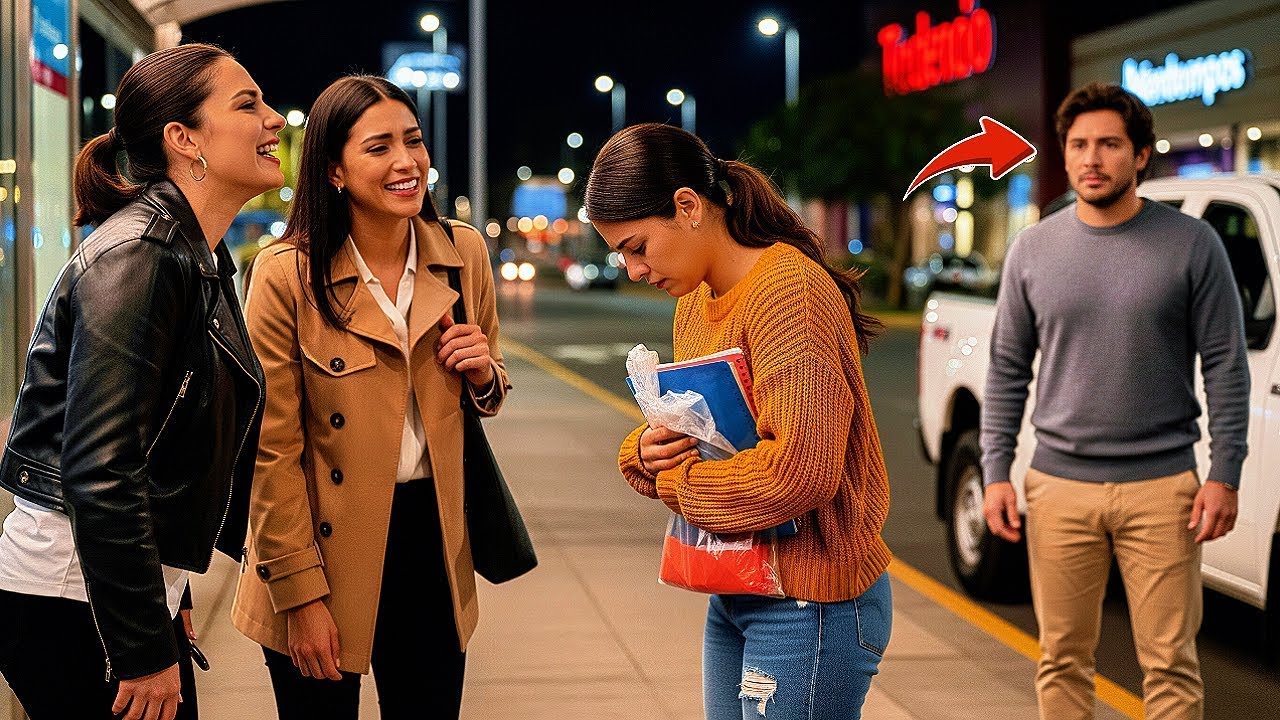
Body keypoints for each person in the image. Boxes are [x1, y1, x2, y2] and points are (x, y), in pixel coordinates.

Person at [0, 43, 280, 720]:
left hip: (115, 591)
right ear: (184, 139)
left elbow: (156, 446)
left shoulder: (193, 250)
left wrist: (171, 595)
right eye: (247, 104)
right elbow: (99, 466)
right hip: (74, 598)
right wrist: (139, 647)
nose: (272, 120)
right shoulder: (143, 256)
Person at [587, 123, 893, 720]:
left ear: (687, 206)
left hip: (811, 600)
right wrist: (645, 451)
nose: (632, 269)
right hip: (737, 583)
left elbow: (798, 474)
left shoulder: (789, 293)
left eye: (637, 246)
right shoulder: (695, 303)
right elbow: (703, 432)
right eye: (620, 253)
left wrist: (673, 483)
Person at [230, 75, 508, 720]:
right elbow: (271, 452)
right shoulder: (284, 276)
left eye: (413, 141)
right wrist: (299, 597)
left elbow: (491, 377)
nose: (407, 162)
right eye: (379, 147)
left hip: (432, 544)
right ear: (333, 170)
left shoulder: (462, 254)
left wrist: (483, 374)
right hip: (321, 545)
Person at [981, 83, 1249, 720]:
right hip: (1058, 487)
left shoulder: (1191, 245)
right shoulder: (1034, 249)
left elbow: (1226, 366)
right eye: (1078, 145)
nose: (1091, 158)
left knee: (1170, 667)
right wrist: (996, 474)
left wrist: (1225, 474)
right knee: (1062, 660)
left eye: (1108, 144)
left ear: (1141, 156)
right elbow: (1006, 370)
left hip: (1163, 490)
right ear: (1065, 154)